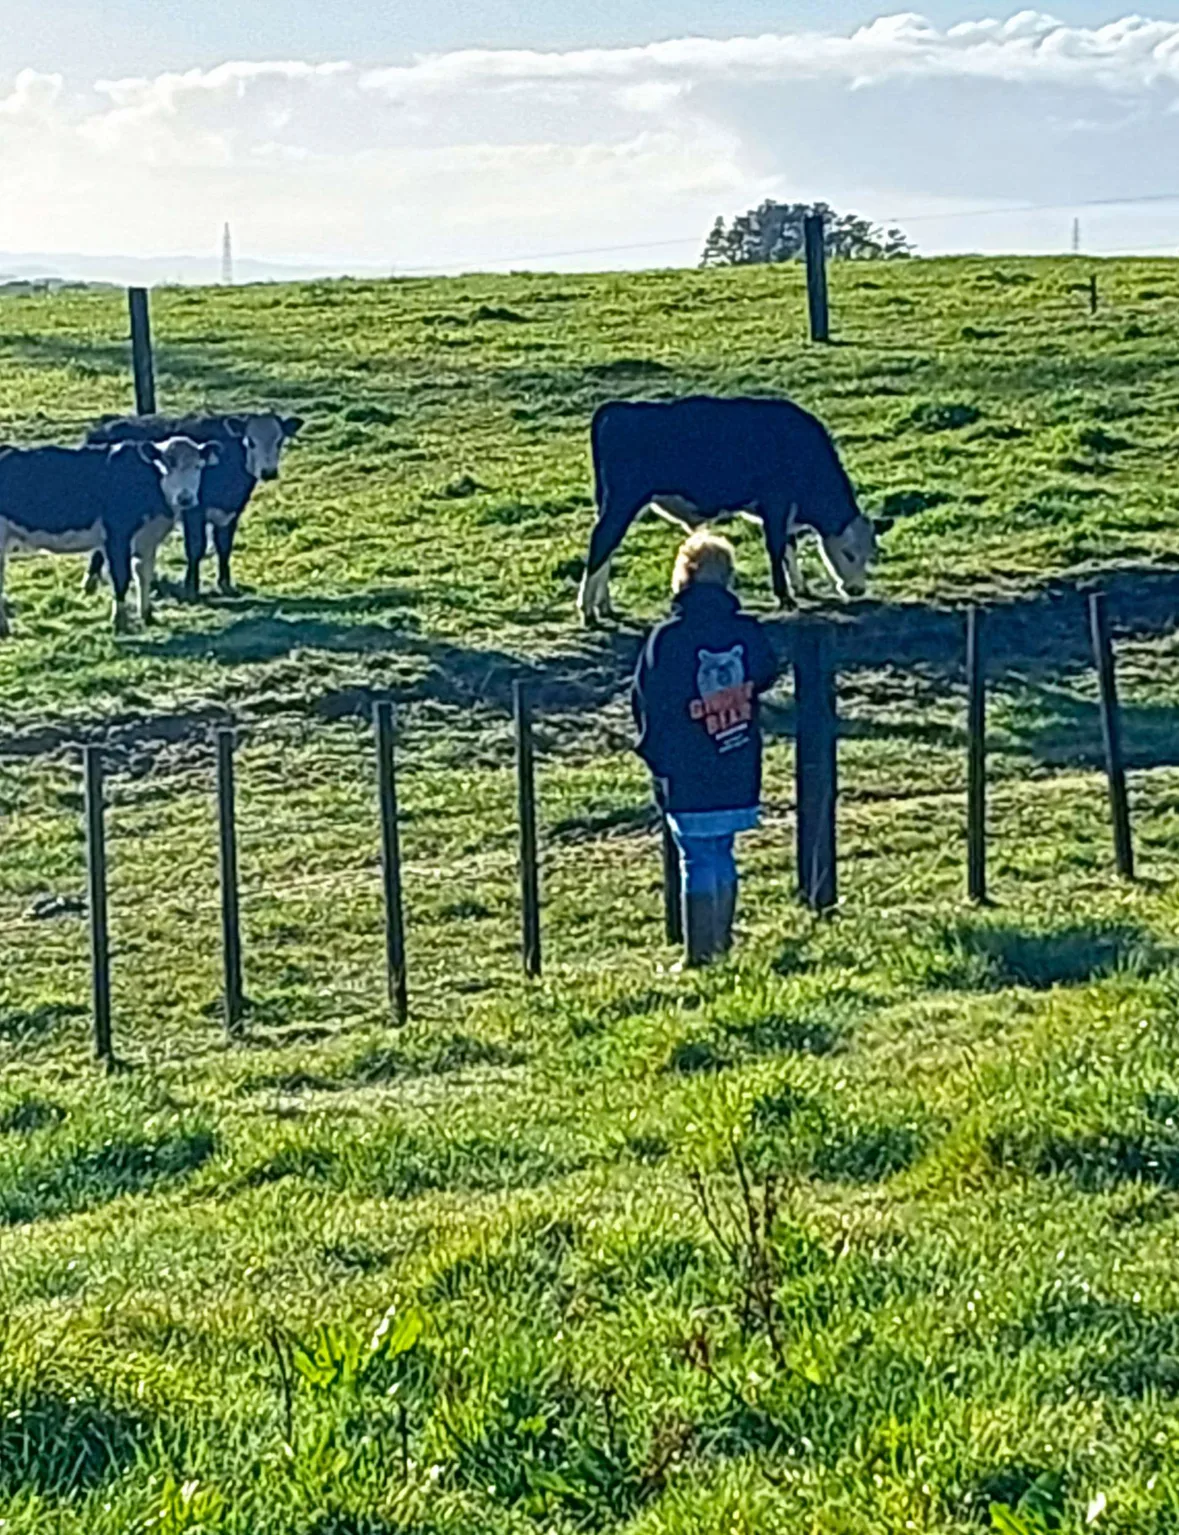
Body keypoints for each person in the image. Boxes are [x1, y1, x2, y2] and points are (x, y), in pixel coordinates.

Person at [632, 530, 778, 968]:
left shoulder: (669, 638)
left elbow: (647, 698)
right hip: (735, 760)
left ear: (685, 575)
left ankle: (700, 956)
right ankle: (722, 942)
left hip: (689, 768)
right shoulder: (747, 632)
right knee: (722, 852)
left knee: (696, 856)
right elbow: (767, 672)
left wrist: (656, 757)